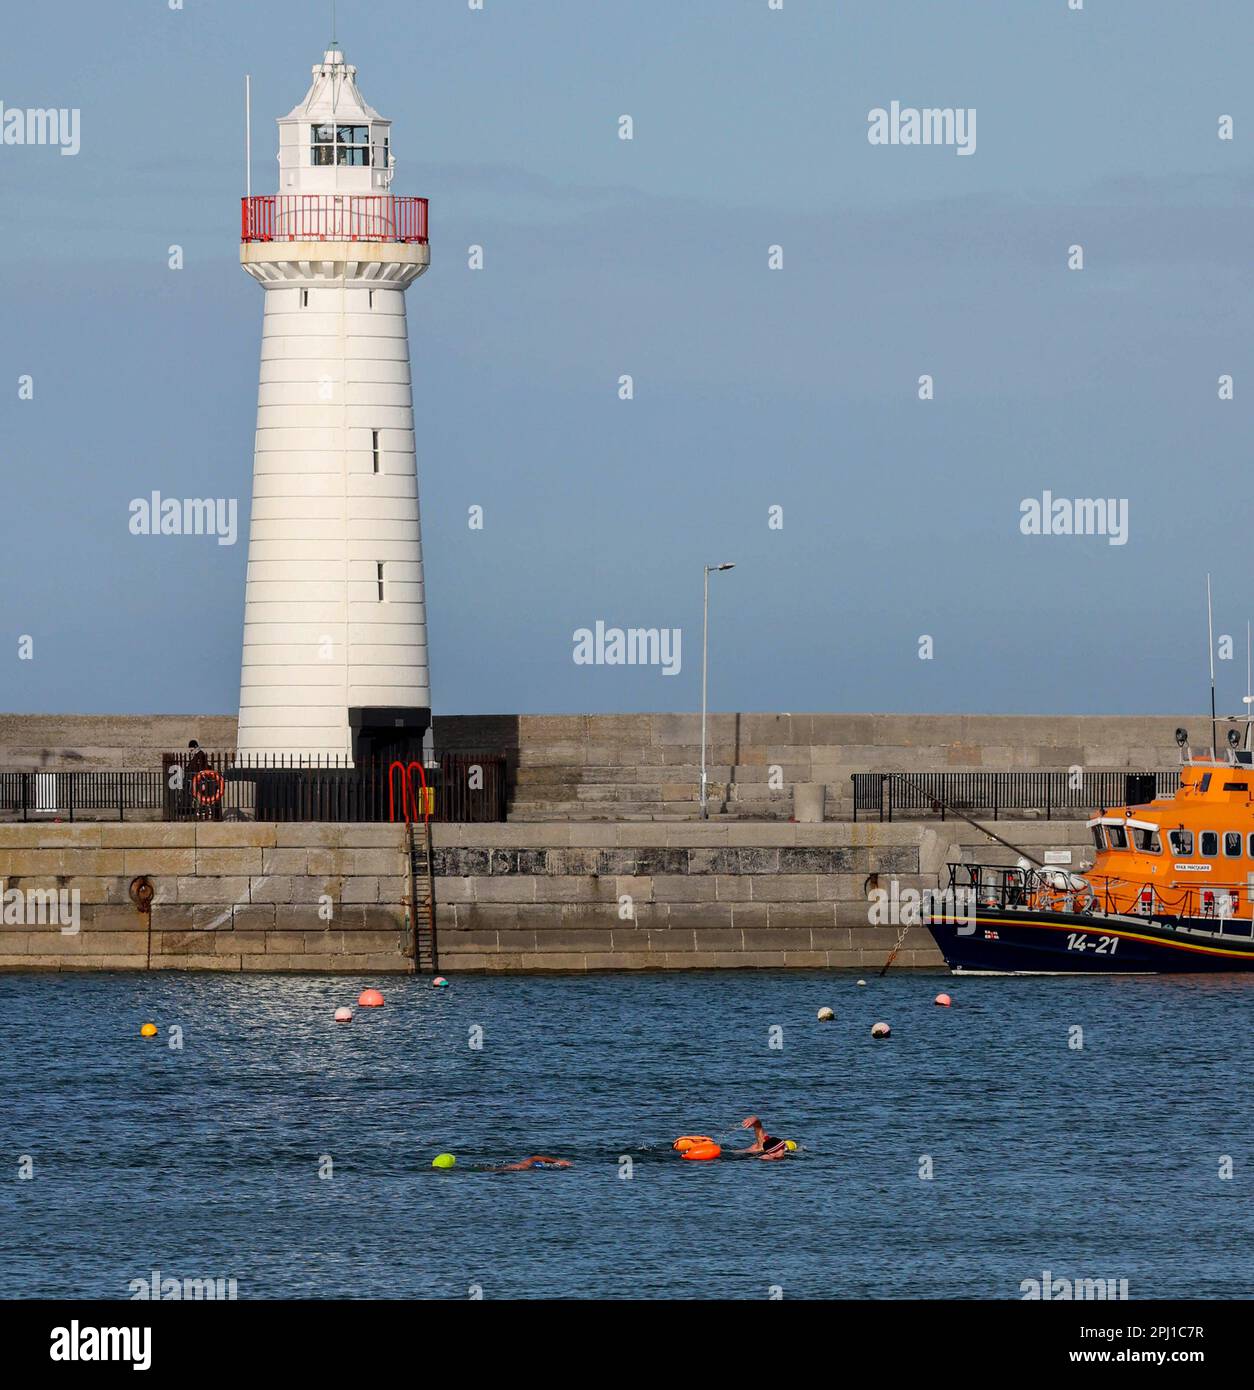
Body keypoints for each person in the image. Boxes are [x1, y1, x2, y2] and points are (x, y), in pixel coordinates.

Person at [485, 1155, 571, 1172]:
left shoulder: (528, 1165)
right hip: (516, 1169)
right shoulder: (527, 1165)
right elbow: (535, 1158)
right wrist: (556, 1161)